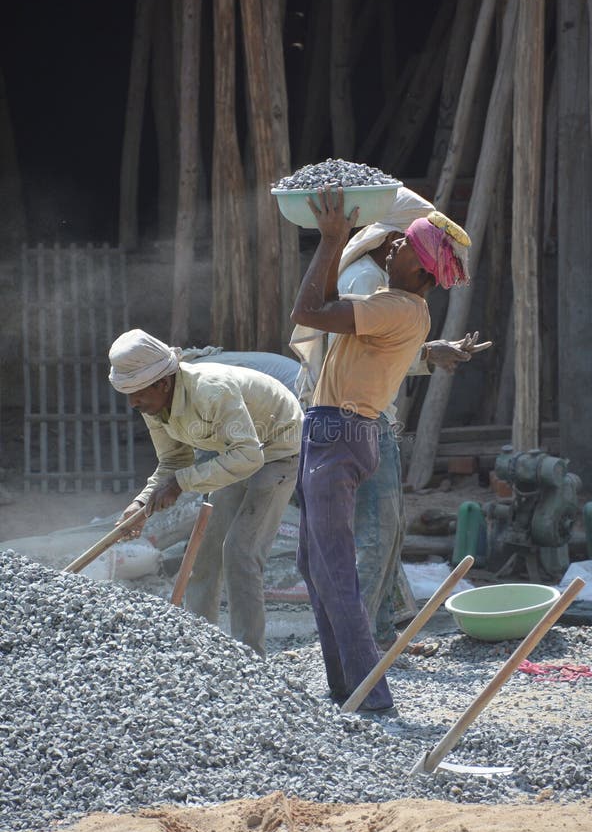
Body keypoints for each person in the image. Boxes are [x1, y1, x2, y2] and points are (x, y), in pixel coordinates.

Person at [290, 185, 472, 714]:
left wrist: (331, 239)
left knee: (336, 567)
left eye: (405, 247)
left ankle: (370, 695)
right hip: (331, 430)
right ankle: (343, 686)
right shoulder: (401, 308)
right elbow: (323, 307)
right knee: (313, 562)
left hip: (339, 433)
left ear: (423, 271)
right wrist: (337, 242)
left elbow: (309, 308)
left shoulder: (396, 306)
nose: (391, 248)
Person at [107, 329, 303, 657]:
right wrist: (141, 504)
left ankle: (249, 659)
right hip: (232, 448)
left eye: (137, 393)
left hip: (278, 448)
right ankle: (201, 650)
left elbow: (250, 457)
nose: (132, 403)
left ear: (163, 383)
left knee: (241, 552)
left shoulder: (211, 390)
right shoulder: (155, 407)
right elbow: (172, 461)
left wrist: (182, 483)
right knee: (203, 551)